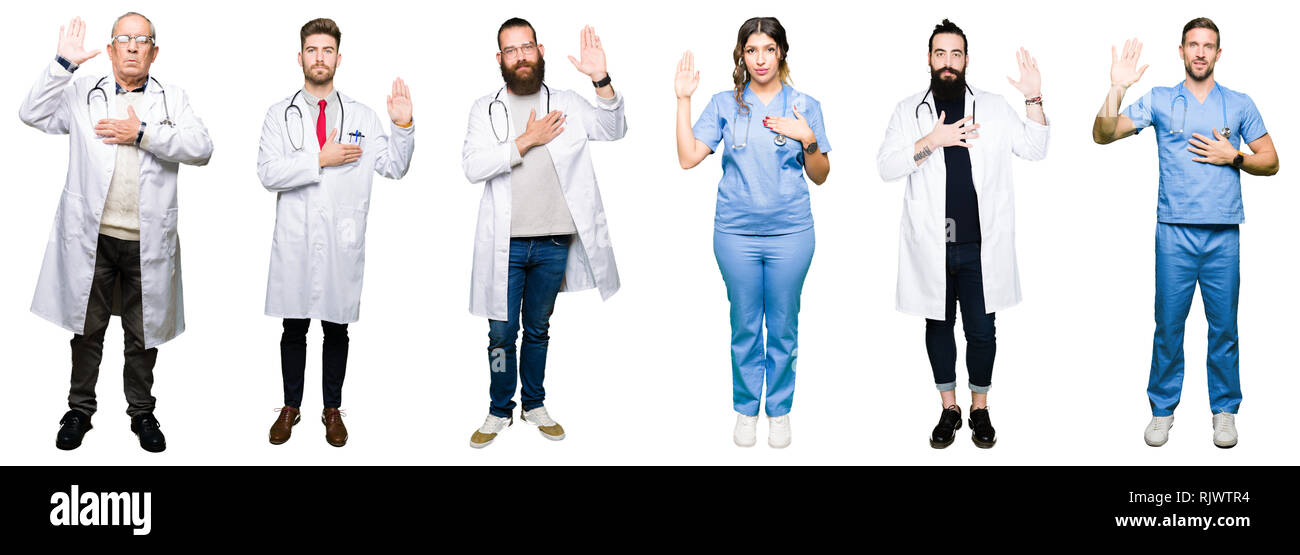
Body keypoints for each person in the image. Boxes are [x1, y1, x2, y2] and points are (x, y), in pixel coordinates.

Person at [20, 14, 213, 453]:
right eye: (123, 39)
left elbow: (201, 148)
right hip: (94, 239)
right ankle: (79, 410)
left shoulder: (172, 99)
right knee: (87, 331)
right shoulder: (82, 92)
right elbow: (30, 112)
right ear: (109, 50)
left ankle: (142, 412)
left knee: (142, 335)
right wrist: (61, 66)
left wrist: (141, 133)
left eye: (141, 40)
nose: (131, 46)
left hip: (147, 241)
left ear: (153, 52)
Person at [1093, 18, 1279, 449]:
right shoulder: (1160, 99)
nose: (1200, 52)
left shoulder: (1238, 103)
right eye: (1192, 45)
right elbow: (1102, 135)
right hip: (1173, 234)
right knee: (1168, 326)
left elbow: (1270, 160)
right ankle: (1162, 411)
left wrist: (1234, 156)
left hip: (1222, 235)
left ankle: (1225, 411)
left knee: (1224, 328)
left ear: (1218, 54)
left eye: (1208, 46)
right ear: (1181, 51)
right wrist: (1117, 88)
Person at [876, 19, 1049, 449]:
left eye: (956, 54)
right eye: (940, 54)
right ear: (929, 59)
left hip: (978, 245)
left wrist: (1032, 97)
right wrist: (932, 139)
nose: (948, 63)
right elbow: (886, 167)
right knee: (938, 325)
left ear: (966, 60)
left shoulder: (990, 107)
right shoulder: (908, 111)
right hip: (931, 244)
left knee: (982, 331)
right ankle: (948, 408)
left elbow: (1035, 148)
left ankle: (980, 407)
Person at [461, 19, 626, 448]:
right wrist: (526, 140)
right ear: (500, 59)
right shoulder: (485, 108)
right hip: (505, 246)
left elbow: (613, 129)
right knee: (501, 334)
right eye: (511, 50)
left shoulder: (568, 102)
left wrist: (600, 79)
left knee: (537, 329)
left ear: (541, 50)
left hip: (554, 242)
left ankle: (533, 403)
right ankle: (500, 409)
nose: (520, 56)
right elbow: (473, 166)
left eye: (527, 47)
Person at [258, 18, 415, 447]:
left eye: (327, 50)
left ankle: (332, 408)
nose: (320, 58)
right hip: (296, 239)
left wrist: (402, 126)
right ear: (300, 57)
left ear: (338, 58)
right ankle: (291, 407)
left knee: (336, 328)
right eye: (312, 50)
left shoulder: (362, 116)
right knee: (293, 328)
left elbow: (394, 167)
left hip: (341, 241)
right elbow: (268, 173)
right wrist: (319, 159)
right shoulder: (279, 115)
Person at [675, 17, 830, 449]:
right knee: (745, 324)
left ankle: (779, 411)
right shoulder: (726, 104)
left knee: (782, 326)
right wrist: (683, 100)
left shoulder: (804, 105)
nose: (760, 58)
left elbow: (820, 175)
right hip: (735, 235)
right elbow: (689, 158)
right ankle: (746, 409)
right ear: (742, 55)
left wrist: (808, 139)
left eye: (768, 49)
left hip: (791, 234)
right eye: (751, 50)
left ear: (781, 52)